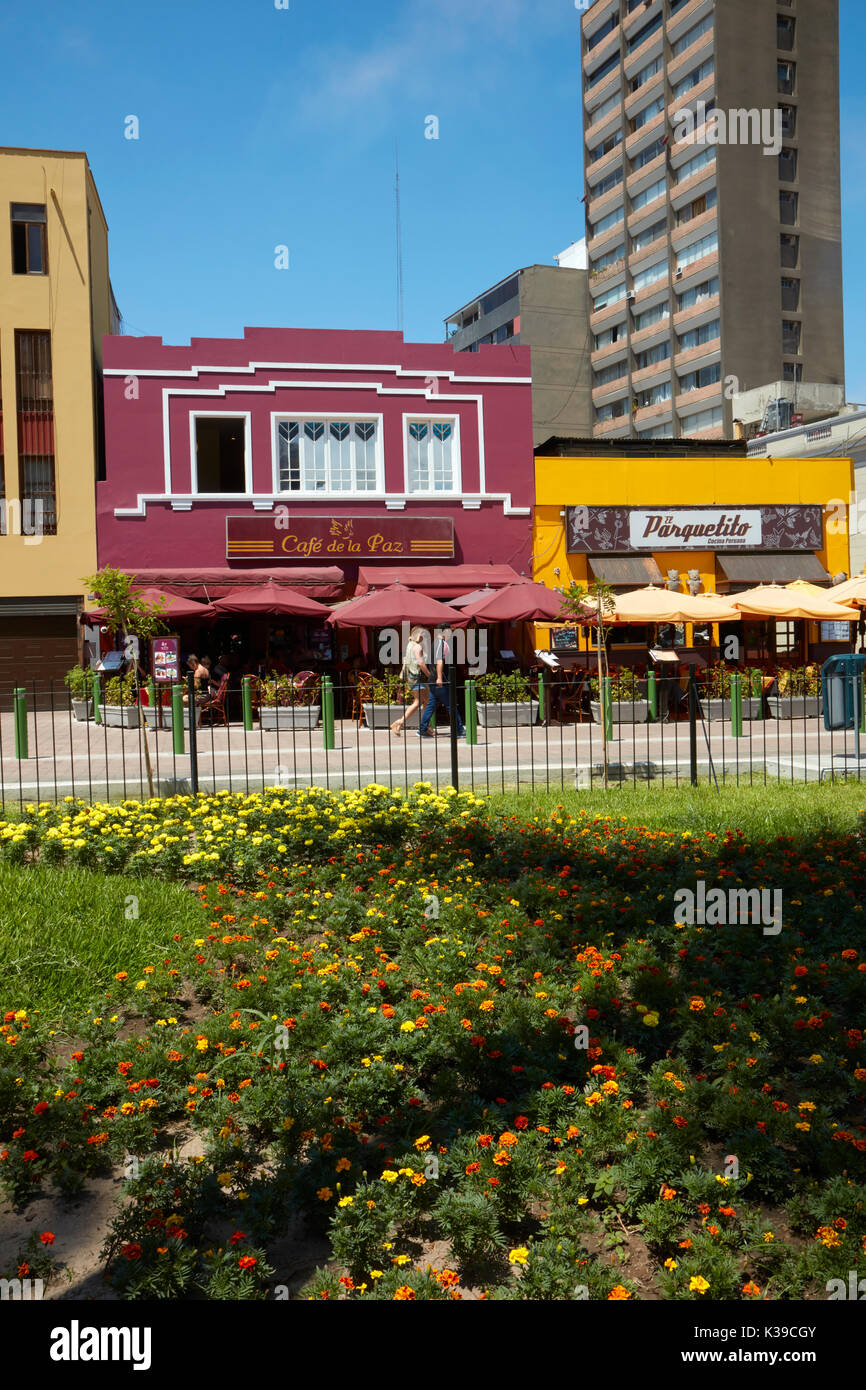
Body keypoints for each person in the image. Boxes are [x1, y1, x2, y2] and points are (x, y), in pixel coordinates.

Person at [418, 624, 465, 739]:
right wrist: (439, 677)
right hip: (439, 680)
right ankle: (459, 729)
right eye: (449, 631)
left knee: (431, 705)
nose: (450, 633)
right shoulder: (440, 643)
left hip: (435, 680)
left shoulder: (435, 643)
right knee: (451, 705)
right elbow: (439, 661)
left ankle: (422, 729)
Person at [391, 627, 431, 737]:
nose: (425, 637)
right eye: (423, 634)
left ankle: (426, 726)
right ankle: (399, 722)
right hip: (418, 678)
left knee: (428, 701)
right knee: (419, 702)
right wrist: (430, 675)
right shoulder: (417, 646)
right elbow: (421, 664)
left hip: (412, 678)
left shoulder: (410, 645)